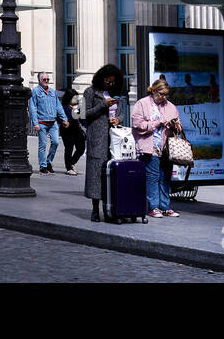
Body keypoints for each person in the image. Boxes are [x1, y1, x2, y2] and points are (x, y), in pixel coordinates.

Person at [131, 78, 183, 218]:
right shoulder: (142, 103)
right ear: (154, 91)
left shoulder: (170, 106)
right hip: (150, 146)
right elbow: (137, 124)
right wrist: (157, 123)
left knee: (165, 177)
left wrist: (175, 126)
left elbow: (179, 126)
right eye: (161, 94)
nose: (164, 97)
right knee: (153, 177)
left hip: (166, 148)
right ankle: (153, 206)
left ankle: (165, 206)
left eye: (166, 94)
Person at [82, 64, 125, 222]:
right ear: (101, 79)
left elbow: (121, 114)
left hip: (114, 139)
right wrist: (102, 105)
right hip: (97, 139)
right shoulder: (90, 92)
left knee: (112, 175)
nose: (110, 85)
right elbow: (84, 114)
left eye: (113, 82)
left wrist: (117, 119)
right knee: (96, 175)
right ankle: (95, 210)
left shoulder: (116, 94)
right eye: (107, 81)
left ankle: (110, 209)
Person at [28, 72, 69, 174]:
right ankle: (43, 166)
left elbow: (58, 106)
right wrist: (35, 123)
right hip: (41, 122)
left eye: (48, 79)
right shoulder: (35, 91)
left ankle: (48, 162)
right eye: (44, 79)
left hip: (53, 122)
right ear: (39, 80)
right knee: (43, 145)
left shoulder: (52, 91)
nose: (46, 81)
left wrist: (64, 119)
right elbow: (32, 108)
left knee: (55, 142)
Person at [58, 87, 85, 175]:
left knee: (81, 148)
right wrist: (63, 122)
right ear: (69, 98)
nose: (76, 99)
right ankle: (69, 168)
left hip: (76, 129)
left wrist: (87, 126)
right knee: (69, 148)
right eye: (74, 98)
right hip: (67, 130)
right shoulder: (64, 107)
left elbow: (81, 118)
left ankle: (72, 162)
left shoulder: (77, 106)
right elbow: (68, 116)